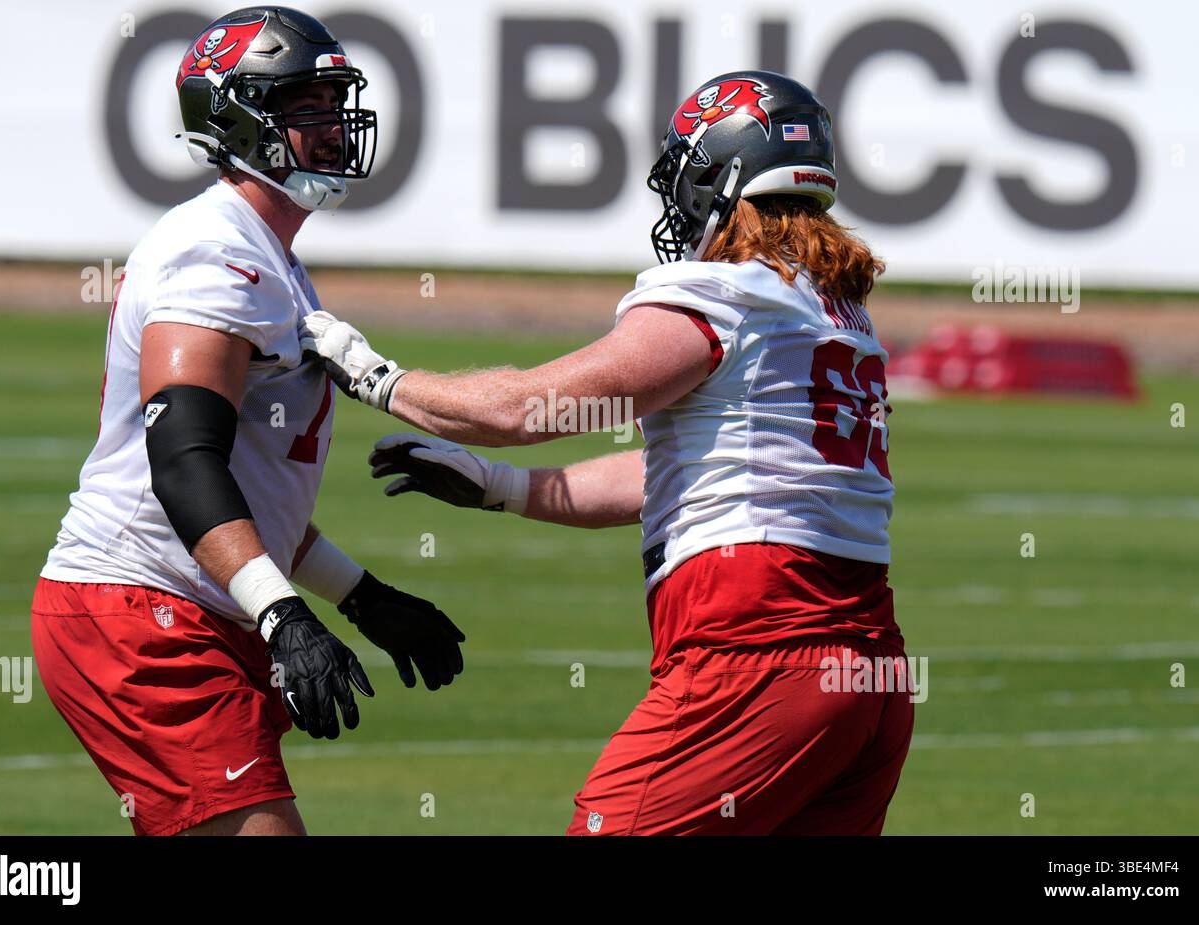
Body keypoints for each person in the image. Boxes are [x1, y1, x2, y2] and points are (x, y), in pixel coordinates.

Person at [301, 69, 912, 836]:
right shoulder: (835, 313)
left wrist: (377, 376)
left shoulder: (728, 294)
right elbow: (686, 474)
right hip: (869, 674)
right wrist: (501, 487)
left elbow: (531, 405)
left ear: (719, 177)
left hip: (755, 651)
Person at [30, 6, 463, 837]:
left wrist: (361, 597)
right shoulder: (215, 252)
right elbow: (186, 463)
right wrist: (284, 612)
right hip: (140, 607)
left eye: (333, 106)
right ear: (240, 117)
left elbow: (253, 494)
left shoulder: (270, 257)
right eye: (305, 109)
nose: (332, 128)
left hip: (179, 601)